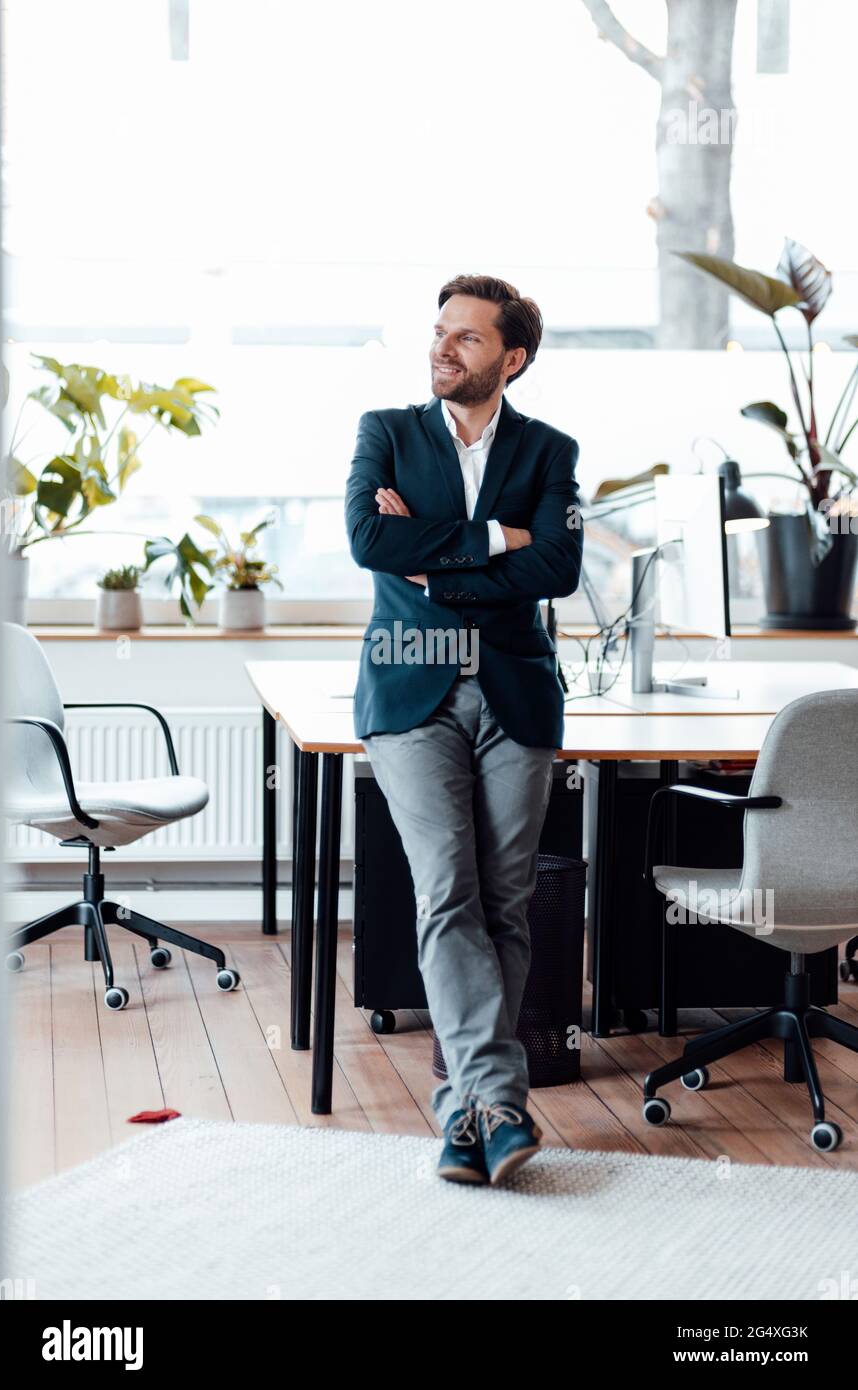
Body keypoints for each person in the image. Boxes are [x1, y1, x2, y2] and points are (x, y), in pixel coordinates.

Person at [344, 273, 583, 1185]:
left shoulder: (550, 450)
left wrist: (439, 557)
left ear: (511, 359)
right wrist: (495, 541)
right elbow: (373, 543)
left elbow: (559, 566)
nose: (443, 349)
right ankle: (494, 1102)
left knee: (506, 898)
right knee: (448, 890)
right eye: (439, 333)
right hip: (411, 692)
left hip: (517, 694)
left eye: (467, 339)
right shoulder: (387, 433)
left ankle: (465, 1116)